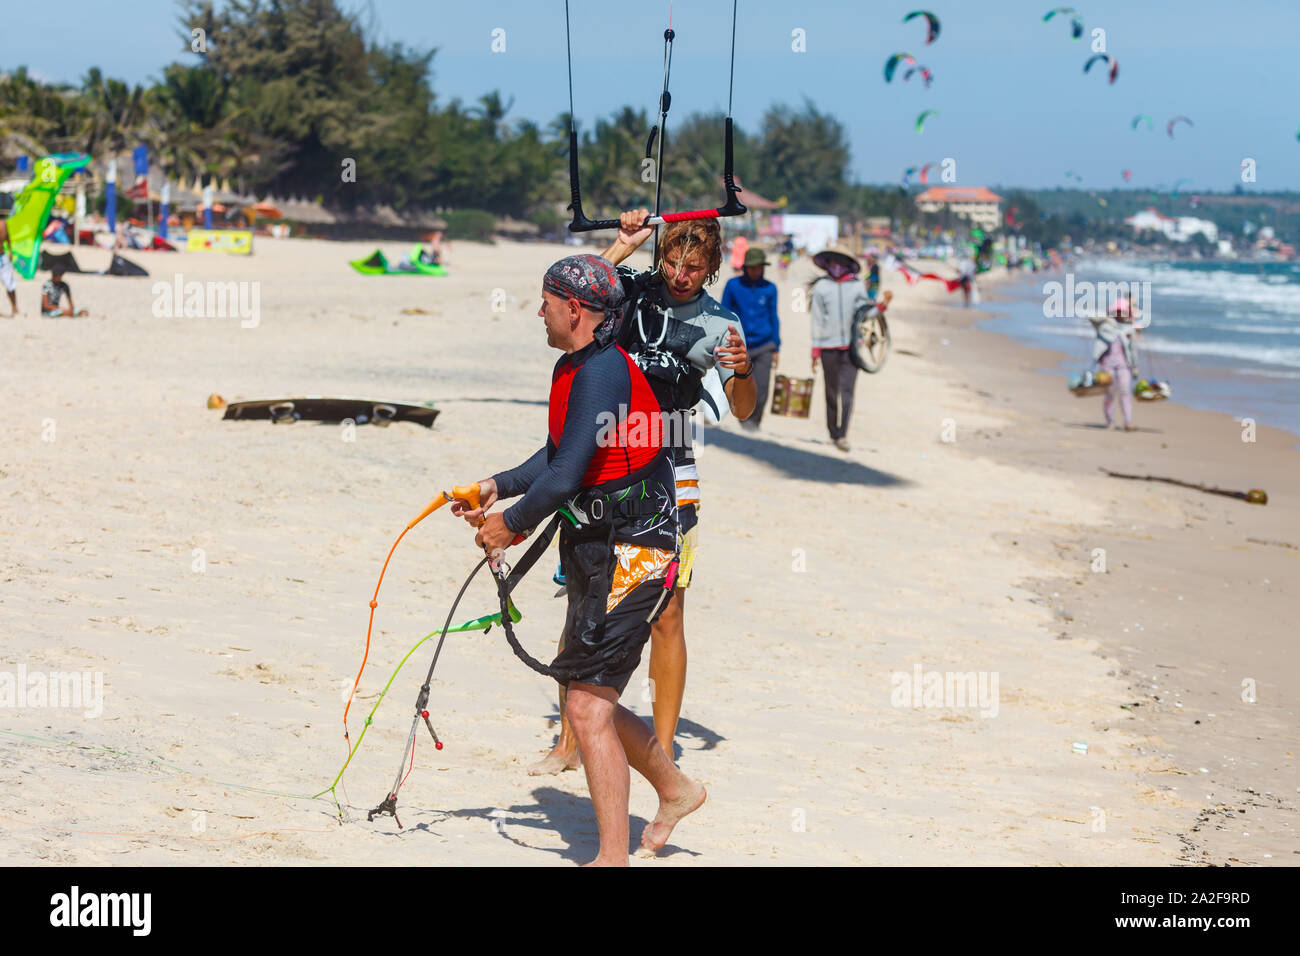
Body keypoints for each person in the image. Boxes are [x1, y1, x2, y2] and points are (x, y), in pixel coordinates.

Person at [455, 254, 705, 864]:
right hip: (596, 545)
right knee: (586, 693)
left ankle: (610, 858)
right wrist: (497, 485)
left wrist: (509, 526)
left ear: (574, 308)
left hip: (638, 549)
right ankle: (674, 788)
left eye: (544, 301)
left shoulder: (603, 373)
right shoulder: (575, 367)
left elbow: (566, 476)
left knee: (588, 706)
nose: (537, 310)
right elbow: (555, 456)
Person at [528, 210, 756, 774]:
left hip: (672, 464)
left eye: (693, 266)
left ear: (710, 268)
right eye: (673, 261)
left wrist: (746, 372)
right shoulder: (629, 293)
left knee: (669, 611)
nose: (680, 273)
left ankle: (662, 743)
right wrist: (623, 245)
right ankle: (569, 742)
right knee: (585, 596)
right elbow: (572, 299)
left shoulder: (720, 325)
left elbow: (747, 411)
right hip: (603, 454)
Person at [810, 244, 871, 452]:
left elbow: (866, 314)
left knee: (848, 392)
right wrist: (815, 350)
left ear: (847, 265)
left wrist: (881, 307)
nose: (836, 266)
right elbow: (817, 320)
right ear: (827, 263)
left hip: (852, 347)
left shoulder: (857, 286)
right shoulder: (821, 288)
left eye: (840, 262)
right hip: (828, 346)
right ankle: (832, 431)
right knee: (831, 391)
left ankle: (843, 433)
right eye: (832, 261)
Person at [721, 247, 780, 429]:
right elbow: (723, 314)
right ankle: (743, 420)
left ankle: (754, 423)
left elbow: (774, 317)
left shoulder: (770, 289)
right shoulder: (733, 285)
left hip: (765, 344)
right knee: (741, 386)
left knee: (762, 388)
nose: (756, 271)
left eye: (759, 267)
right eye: (753, 267)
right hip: (740, 345)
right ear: (745, 267)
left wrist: (776, 347)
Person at [1090, 297, 1140, 431]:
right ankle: (1110, 422)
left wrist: (1135, 366)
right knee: (1109, 394)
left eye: (1122, 311)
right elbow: (1092, 317)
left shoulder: (1129, 328)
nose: (1119, 314)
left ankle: (1127, 422)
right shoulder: (1105, 326)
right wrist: (1106, 318)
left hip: (1124, 366)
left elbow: (1132, 349)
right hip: (1107, 366)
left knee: (1125, 392)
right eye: (1117, 311)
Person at [0, 220, 18, 317]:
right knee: (9, 283)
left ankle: (15, 308)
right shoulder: (3, 223)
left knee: (10, 283)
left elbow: (8, 237)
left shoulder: (3, 223)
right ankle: (15, 308)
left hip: (2, 256)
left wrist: (10, 250)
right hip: (3, 257)